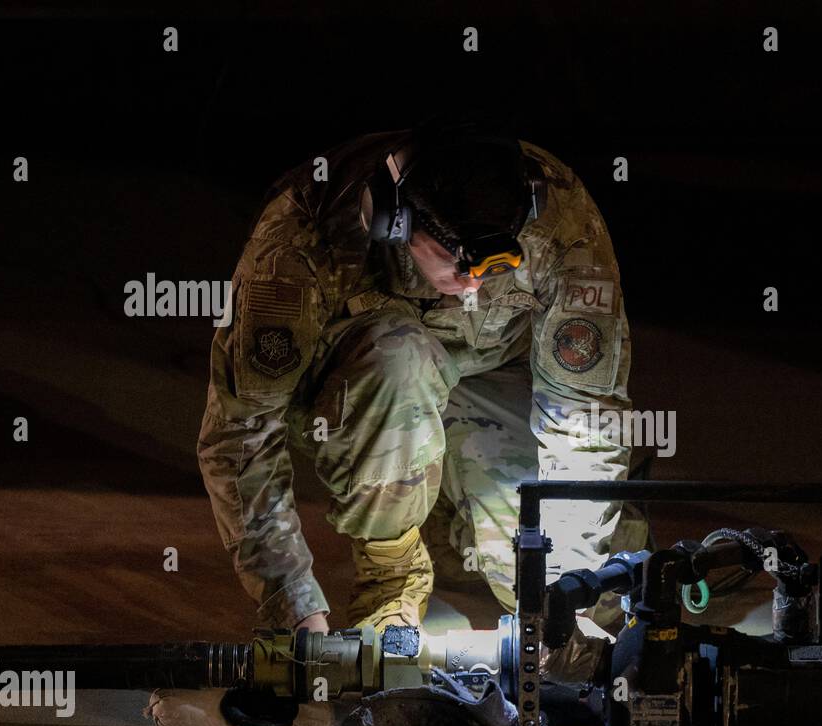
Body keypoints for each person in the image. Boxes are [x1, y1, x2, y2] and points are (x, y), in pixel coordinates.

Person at [197, 119, 644, 680]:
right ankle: (392, 569)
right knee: (398, 358)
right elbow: (240, 437)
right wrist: (292, 602)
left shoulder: (562, 222)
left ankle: (457, 521)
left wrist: (577, 580)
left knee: (553, 587)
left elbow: (587, 413)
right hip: (379, 383)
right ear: (394, 218)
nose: (475, 285)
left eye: (494, 268)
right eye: (459, 264)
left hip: (494, 378)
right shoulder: (297, 246)